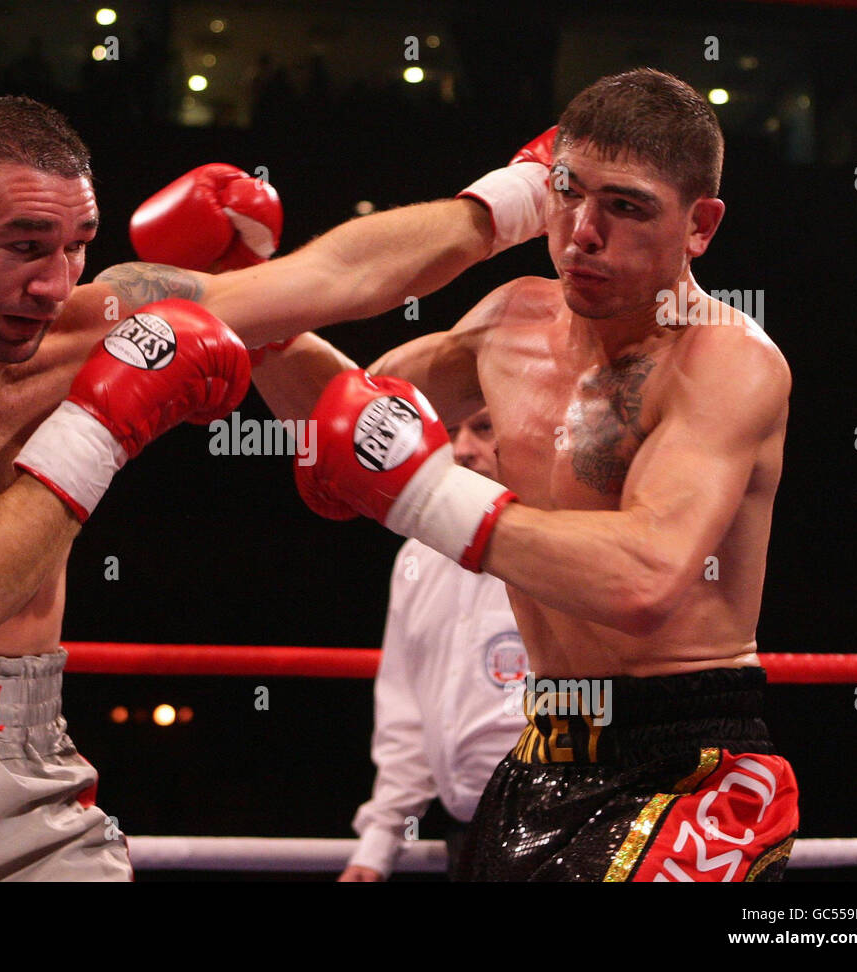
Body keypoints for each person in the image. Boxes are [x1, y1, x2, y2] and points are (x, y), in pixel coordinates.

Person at [0, 94, 537, 881]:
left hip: (15, 777)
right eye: (24, 248)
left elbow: (337, 278)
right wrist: (104, 422)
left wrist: (526, 193)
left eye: (78, 247)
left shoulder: (102, 318)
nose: (54, 286)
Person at [121, 68, 800, 881]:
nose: (583, 231)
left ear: (700, 226)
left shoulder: (726, 362)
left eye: (625, 206)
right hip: (538, 755)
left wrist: (428, 495)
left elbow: (644, 578)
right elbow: (346, 416)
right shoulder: (513, 320)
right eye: (568, 193)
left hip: (688, 767)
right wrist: (244, 300)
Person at [337, 409, 528, 882]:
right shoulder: (417, 557)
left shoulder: (574, 543)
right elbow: (407, 709)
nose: (461, 449)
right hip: (467, 834)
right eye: (450, 433)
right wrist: (379, 842)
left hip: (570, 822)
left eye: (484, 426)